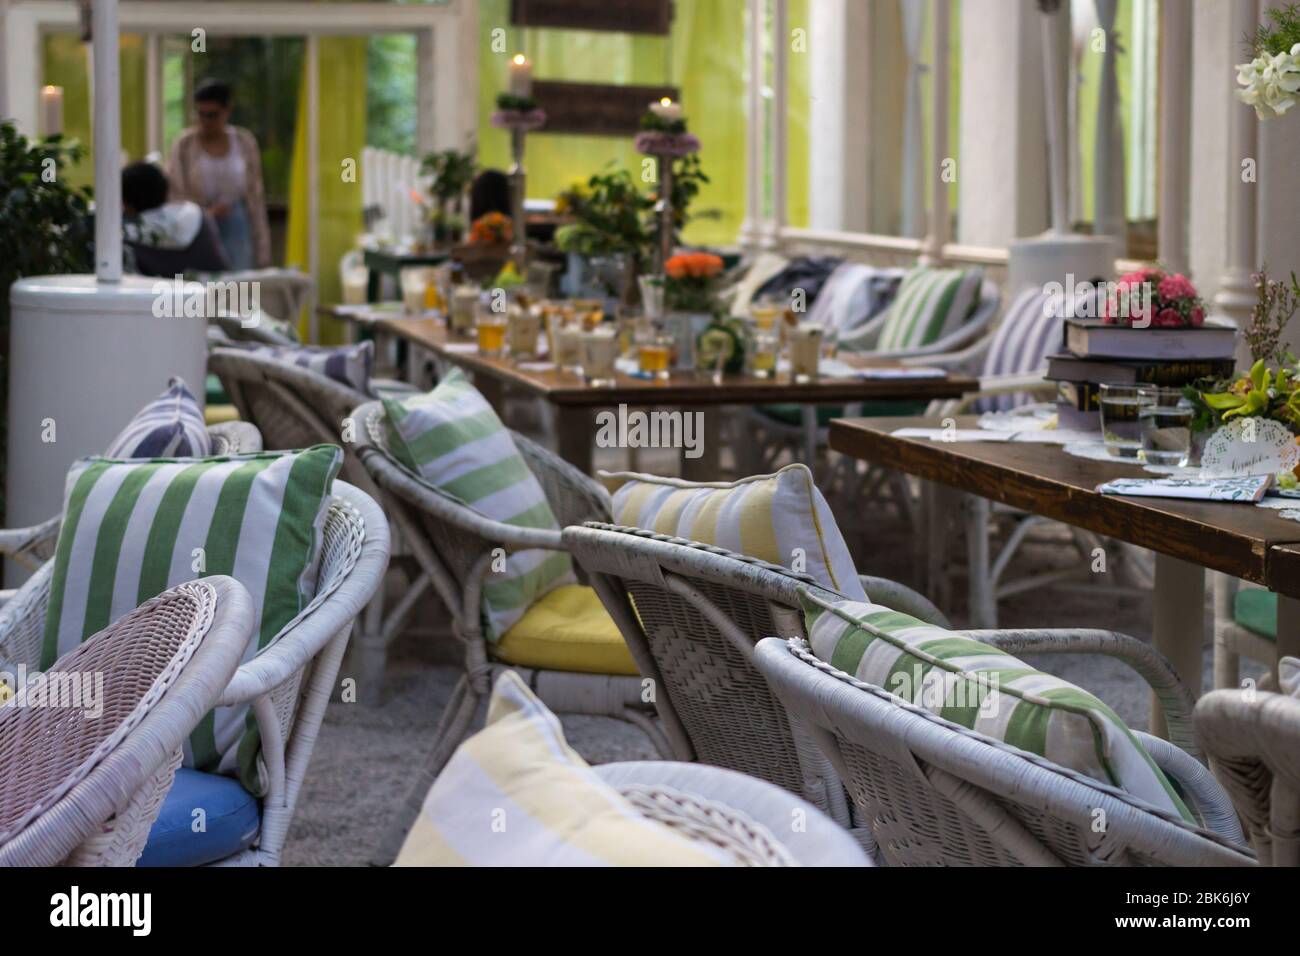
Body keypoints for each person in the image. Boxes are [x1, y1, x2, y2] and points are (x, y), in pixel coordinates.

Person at [166, 78, 271, 270]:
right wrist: (206, 214)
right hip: (198, 224)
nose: (205, 121)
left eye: (212, 115)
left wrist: (262, 248)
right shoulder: (185, 144)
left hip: (237, 223)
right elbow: (175, 191)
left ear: (227, 111)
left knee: (238, 284)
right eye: (200, 114)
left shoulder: (244, 142)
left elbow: (255, 196)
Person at [122, 161, 229, 276]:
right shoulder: (198, 214)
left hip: (170, 291)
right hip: (220, 287)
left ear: (127, 203)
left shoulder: (129, 235)